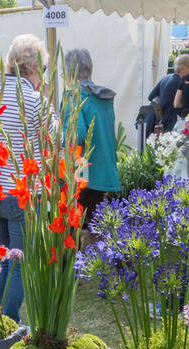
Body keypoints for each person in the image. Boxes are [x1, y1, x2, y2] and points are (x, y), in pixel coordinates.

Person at [0, 34, 47, 322]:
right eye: (41, 70)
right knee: (19, 263)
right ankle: (8, 321)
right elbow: (49, 141)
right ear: (32, 67)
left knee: (1, 260)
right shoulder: (32, 98)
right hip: (22, 193)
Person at [64, 48, 119, 227]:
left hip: (84, 176)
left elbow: (77, 135)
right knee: (96, 229)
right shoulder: (103, 97)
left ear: (69, 70)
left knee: (78, 231)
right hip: (105, 172)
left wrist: (57, 137)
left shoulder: (74, 95)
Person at [149, 56, 189, 136]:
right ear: (182, 69)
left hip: (159, 120)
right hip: (172, 122)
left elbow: (151, 97)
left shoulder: (166, 77)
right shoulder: (181, 83)